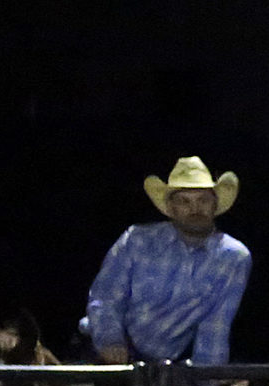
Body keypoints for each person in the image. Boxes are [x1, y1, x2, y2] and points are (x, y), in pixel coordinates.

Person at [81, 157, 251, 370]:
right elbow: (106, 297)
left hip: (167, 366)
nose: (195, 208)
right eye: (184, 201)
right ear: (170, 208)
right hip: (103, 351)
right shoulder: (136, 240)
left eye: (203, 200)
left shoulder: (233, 256)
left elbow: (215, 327)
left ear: (215, 205)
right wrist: (111, 342)